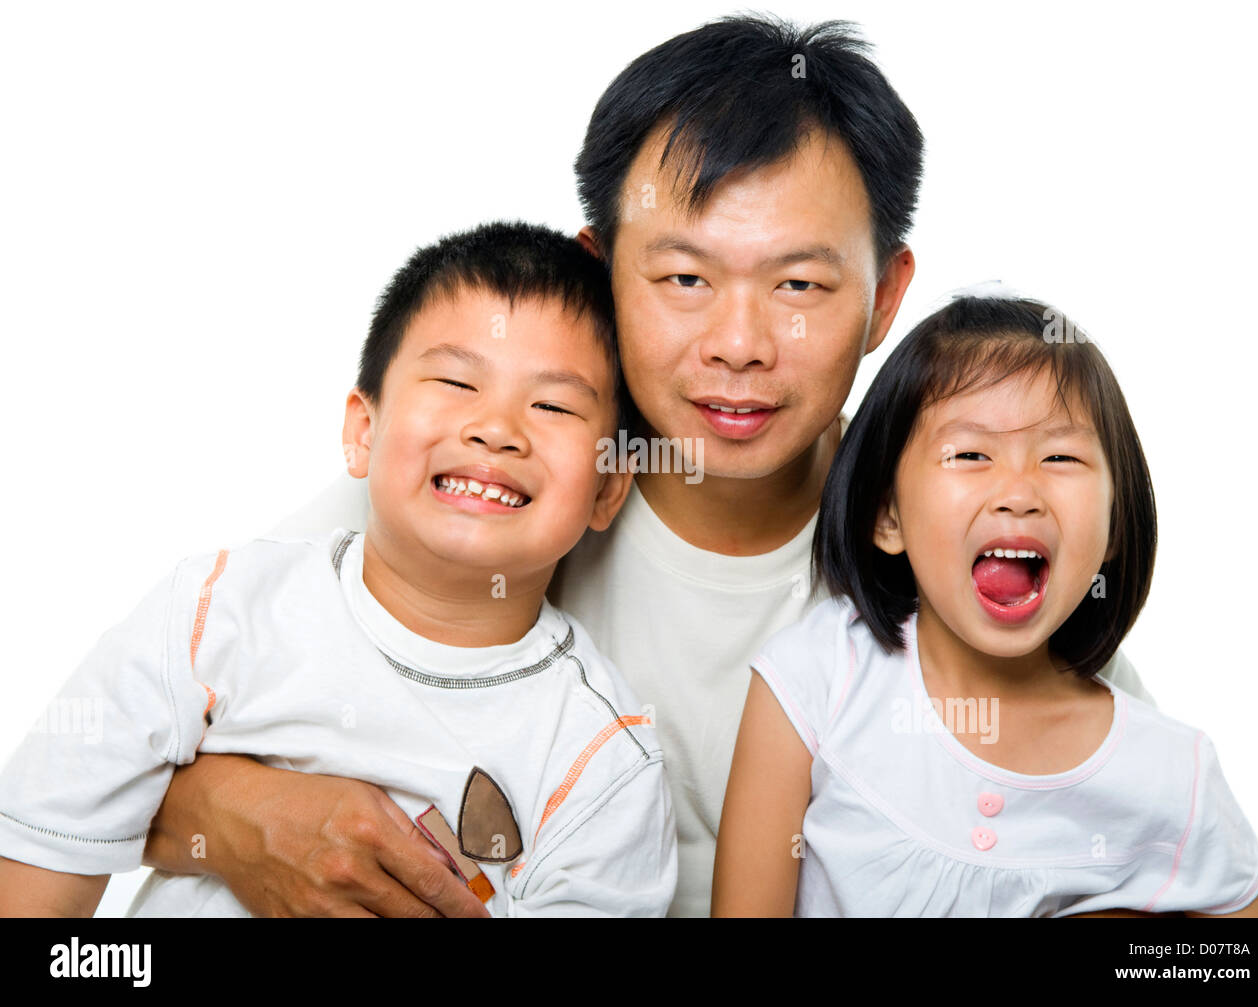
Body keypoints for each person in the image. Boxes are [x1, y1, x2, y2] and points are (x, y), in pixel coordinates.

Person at [140, 15, 1152, 918]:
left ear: (886, 294)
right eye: (682, 277)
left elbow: (1164, 864)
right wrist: (235, 806)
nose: (738, 342)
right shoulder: (486, 489)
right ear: (600, 269)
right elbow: (113, 746)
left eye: (798, 280)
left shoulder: (966, 545)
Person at [0, 221, 676, 917]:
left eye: (553, 405)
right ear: (363, 430)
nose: (497, 427)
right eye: (455, 380)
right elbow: (39, 871)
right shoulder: (214, 616)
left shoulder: (601, 761)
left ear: (606, 486)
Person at [712, 295, 1258, 917]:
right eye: (971, 455)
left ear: (1115, 526)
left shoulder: (1172, 771)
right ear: (887, 514)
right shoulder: (818, 679)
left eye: (1060, 457)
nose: (1018, 492)